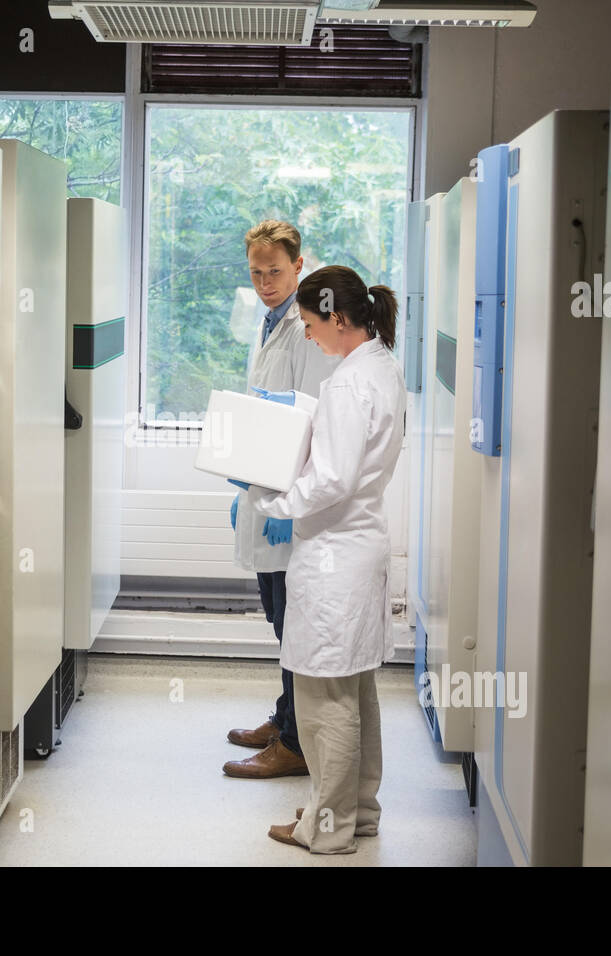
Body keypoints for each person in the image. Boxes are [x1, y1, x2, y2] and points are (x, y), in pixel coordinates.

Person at [244, 264, 407, 852]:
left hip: (335, 556)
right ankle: (357, 812)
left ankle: (328, 828)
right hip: (361, 549)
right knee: (356, 696)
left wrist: (272, 500)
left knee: (323, 704)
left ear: (338, 318)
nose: (308, 335)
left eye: (311, 324)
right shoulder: (381, 366)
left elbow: (332, 479)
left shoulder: (346, 384)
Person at [223, 221, 340, 780]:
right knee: (277, 614)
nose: (266, 281)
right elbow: (265, 410)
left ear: (298, 265)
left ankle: (294, 744)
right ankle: (285, 715)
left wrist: (282, 500)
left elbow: (309, 419)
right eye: (256, 272)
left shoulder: (306, 326)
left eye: (275, 270)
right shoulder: (269, 320)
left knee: (290, 620)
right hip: (265, 488)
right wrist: (245, 485)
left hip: (290, 496)